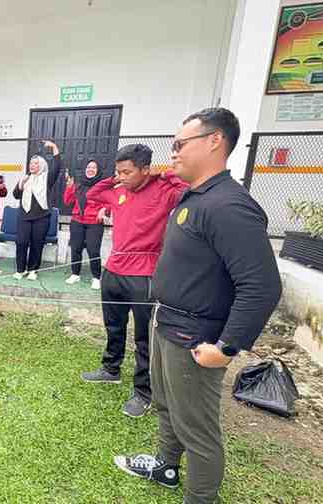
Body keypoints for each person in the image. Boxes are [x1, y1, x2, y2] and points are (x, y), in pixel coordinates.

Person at [114, 108, 282, 504]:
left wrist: (227, 347)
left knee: (199, 428)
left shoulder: (228, 206)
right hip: (168, 322)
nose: (172, 154)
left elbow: (261, 285)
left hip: (196, 335)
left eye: (179, 145)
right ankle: (166, 466)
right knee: (167, 405)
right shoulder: (198, 195)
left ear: (214, 141)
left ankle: (200, 498)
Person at [80, 144, 188, 418]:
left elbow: (189, 193)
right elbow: (93, 194)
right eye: (119, 172)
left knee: (144, 337)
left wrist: (168, 176)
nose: (122, 176)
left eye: (127, 172)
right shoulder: (118, 192)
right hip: (114, 270)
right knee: (113, 325)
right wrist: (113, 178)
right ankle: (110, 369)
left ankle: (143, 391)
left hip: (144, 275)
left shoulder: (164, 191)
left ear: (145, 169)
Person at [12, 141, 62, 281]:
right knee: (21, 242)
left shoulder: (46, 178)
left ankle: (33, 269)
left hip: (42, 217)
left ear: (42, 166)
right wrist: (21, 184)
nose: (32, 166)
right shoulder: (25, 178)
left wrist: (54, 147)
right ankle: (20, 269)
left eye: (35, 163)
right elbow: (16, 195)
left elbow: (57, 167)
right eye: (31, 163)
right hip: (24, 216)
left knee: (37, 244)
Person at [62, 159, 107, 289]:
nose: (90, 169)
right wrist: (69, 187)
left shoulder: (102, 185)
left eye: (94, 167)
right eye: (88, 167)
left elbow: (108, 202)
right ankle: (75, 274)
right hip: (77, 221)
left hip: (95, 222)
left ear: (98, 171)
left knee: (93, 250)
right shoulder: (79, 184)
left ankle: (96, 277)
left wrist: (104, 210)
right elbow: (67, 201)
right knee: (76, 249)